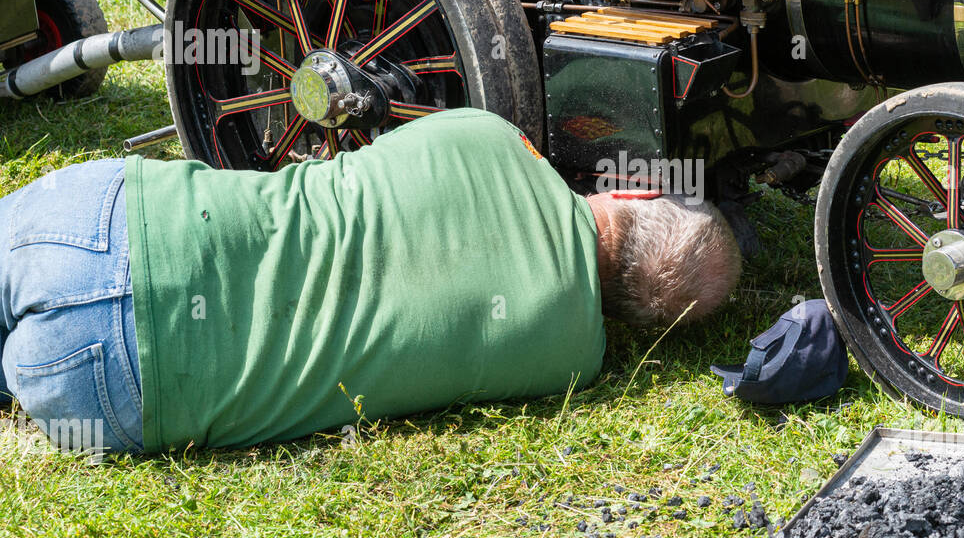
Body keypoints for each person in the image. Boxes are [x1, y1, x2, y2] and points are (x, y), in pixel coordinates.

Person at [0, 109, 741, 456]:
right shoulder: (569, 362)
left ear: (642, 192)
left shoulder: (491, 139)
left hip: (105, 228)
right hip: (108, 394)